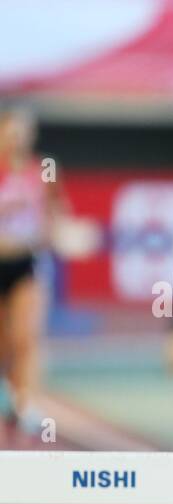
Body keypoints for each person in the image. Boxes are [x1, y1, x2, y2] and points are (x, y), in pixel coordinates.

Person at [0, 106, 65, 435]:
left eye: (24, 131)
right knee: (4, 343)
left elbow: (56, 212)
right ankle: (9, 392)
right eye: (11, 130)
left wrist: (45, 234)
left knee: (26, 337)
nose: (17, 138)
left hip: (28, 263)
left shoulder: (46, 168)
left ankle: (26, 402)